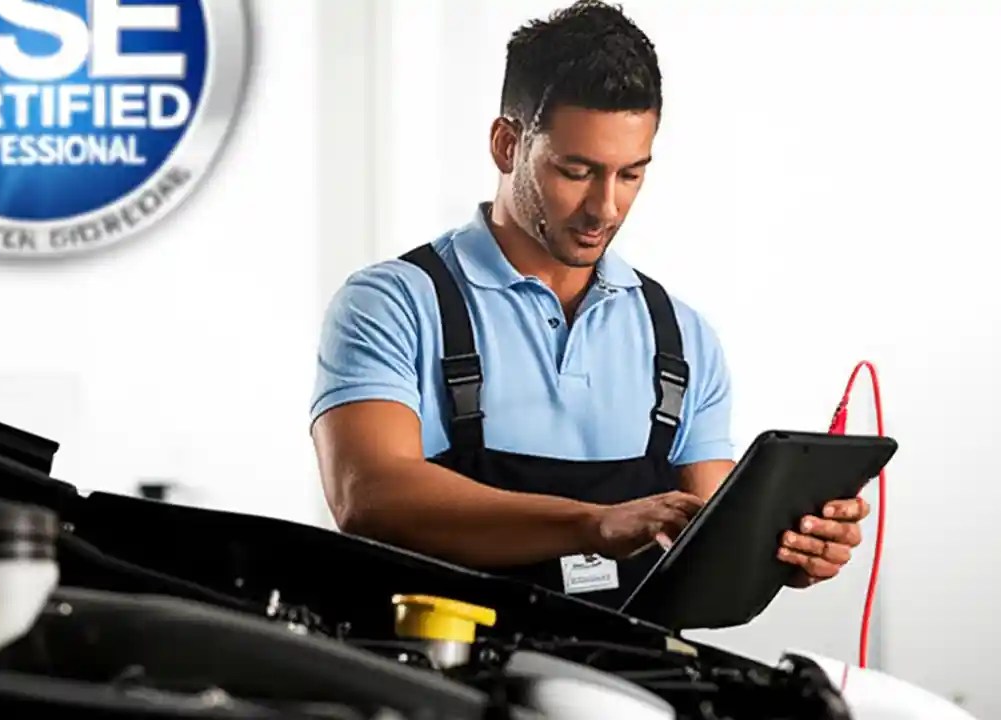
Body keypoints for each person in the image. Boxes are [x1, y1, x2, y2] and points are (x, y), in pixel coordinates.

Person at [309, 0, 868, 609]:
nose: (605, 207)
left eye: (630, 174)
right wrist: (595, 525)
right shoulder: (393, 305)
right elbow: (367, 497)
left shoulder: (680, 338)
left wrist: (787, 549)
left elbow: (709, 550)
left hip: (630, 687)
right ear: (506, 145)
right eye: (576, 170)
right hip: (448, 685)